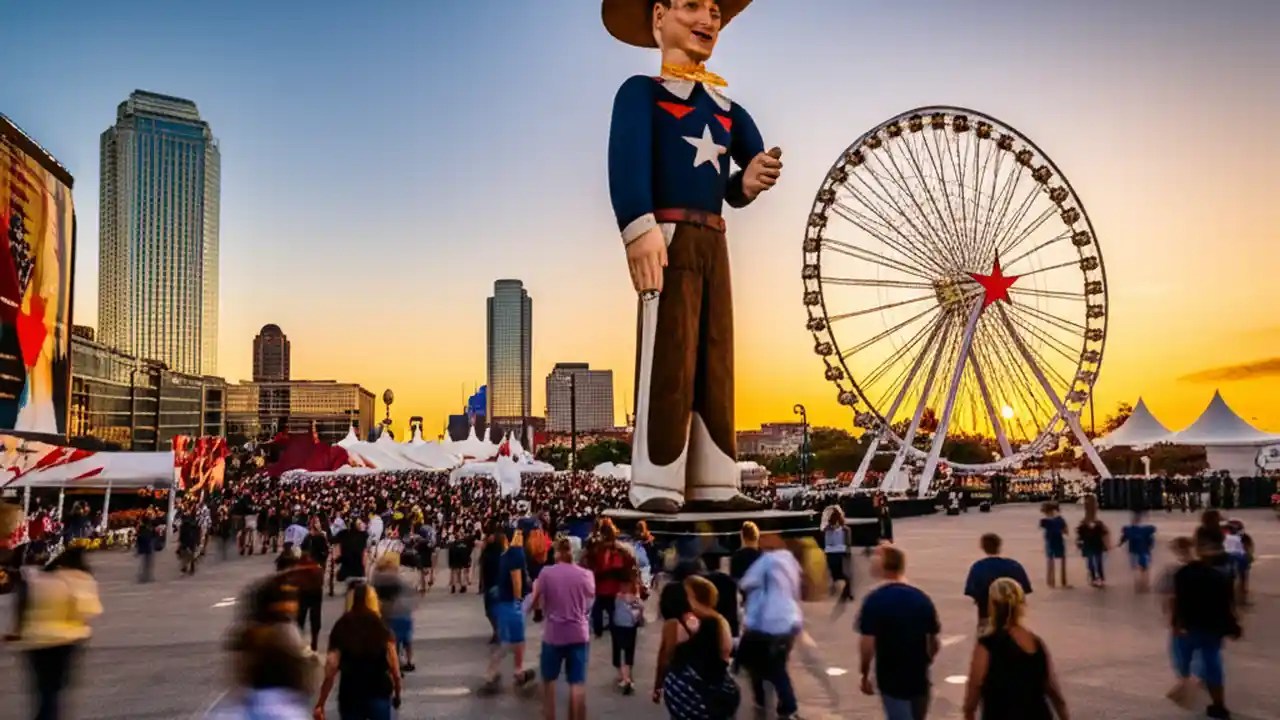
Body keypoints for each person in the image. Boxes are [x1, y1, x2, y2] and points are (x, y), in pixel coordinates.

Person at [605, 0, 780, 514]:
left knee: (716, 356)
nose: (707, 19)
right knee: (669, 352)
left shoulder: (728, 110)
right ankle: (655, 480)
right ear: (659, 16)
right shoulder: (642, 95)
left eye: (714, 12)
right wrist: (638, 230)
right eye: (691, 6)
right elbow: (626, 159)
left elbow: (740, 179)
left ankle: (714, 480)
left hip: (714, 239)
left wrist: (748, 184)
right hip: (668, 235)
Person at [960, 578, 1069, 720]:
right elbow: (1053, 691)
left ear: (992, 606)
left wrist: (969, 714)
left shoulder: (988, 644)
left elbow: (973, 691)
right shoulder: (1036, 643)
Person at [857, 544, 940, 720]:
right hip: (919, 677)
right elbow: (933, 641)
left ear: (883, 566)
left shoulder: (874, 600)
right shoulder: (921, 598)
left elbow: (867, 645)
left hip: (891, 679)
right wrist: (925, 661)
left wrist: (864, 674)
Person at [1168, 535, 1241, 719]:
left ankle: (1189, 681)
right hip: (1212, 627)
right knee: (1212, 661)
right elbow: (1228, 605)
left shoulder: (1183, 574)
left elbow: (1180, 601)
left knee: (1183, 658)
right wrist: (1233, 626)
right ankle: (1218, 705)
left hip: (1190, 625)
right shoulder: (1222, 576)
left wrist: (1177, 623)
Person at [526, 538, 595, 719]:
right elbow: (590, 597)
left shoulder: (546, 573)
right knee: (577, 684)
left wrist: (532, 610)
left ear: (556, 553)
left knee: (549, 683)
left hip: (553, 634)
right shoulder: (586, 575)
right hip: (579, 633)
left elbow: (536, 601)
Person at [653, 575, 740, 719]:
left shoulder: (678, 622)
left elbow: (666, 657)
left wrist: (659, 685)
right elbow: (725, 655)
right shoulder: (720, 621)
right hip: (717, 692)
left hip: (688, 692)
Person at [738, 534, 803, 720]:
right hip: (790, 621)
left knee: (764, 667)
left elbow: (746, 583)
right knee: (779, 665)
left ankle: (783, 704)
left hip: (767, 625)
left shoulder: (766, 561)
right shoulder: (790, 560)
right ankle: (784, 707)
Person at [314, 584, 401, 720]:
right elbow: (395, 668)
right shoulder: (381, 628)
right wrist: (397, 693)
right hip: (378, 693)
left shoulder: (341, 626)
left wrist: (321, 703)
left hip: (350, 695)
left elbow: (331, 668)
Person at [480, 530, 535, 694]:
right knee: (508, 642)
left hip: (503, 602)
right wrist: (519, 600)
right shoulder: (514, 555)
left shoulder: (502, 555)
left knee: (516, 641)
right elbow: (516, 580)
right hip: (510, 604)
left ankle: (515, 671)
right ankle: (493, 673)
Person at [962, 534, 1032, 634]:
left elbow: (972, 590)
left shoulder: (978, 567)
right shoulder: (1014, 565)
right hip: (1013, 614)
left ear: (983, 547)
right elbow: (1025, 589)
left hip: (986, 613)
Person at [370, 553, 416, 673]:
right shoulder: (397, 577)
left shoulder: (376, 577)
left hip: (385, 612)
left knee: (391, 641)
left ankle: (394, 663)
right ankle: (409, 661)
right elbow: (408, 591)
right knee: (406, 639)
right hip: (402, 611)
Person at [1118, 511, 1156, 592]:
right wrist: (1150, 547)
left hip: (1133, 551)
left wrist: (1120, 544)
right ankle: (1145, 584)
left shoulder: (1129, 530)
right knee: (1145, 569)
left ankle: (1137, 584)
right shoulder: (1147, 530)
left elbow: (1124, 538)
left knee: (1135, 568)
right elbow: (1151, 540)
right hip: (1144, 551)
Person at [1075, 497, 1109, 588]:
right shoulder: (1097, 524)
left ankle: (1094, 578)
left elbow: (1080, 534)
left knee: (1091, 562)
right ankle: (1099, 578)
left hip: (1089, 543)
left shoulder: (1085, 524)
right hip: (1096, 543)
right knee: (1098, 561)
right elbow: (1104, 533)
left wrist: (1079, 542)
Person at [823, 506, 853, 601]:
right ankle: (845, 591)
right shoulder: (830, 529)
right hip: (836, 552)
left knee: (841, 573)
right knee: (839, 573)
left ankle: (846, 592)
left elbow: (848, 541)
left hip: (837, 552)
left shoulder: (844, 529)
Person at [1037, 503, 1069, 588]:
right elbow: (1065, 530)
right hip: (1058, 540)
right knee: (1061, 560)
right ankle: (1063, 581)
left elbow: (1041, 526)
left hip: (1050, 541)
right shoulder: (1060, 519)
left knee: (1050, 561)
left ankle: (1050, 581)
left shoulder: (1045, 521)